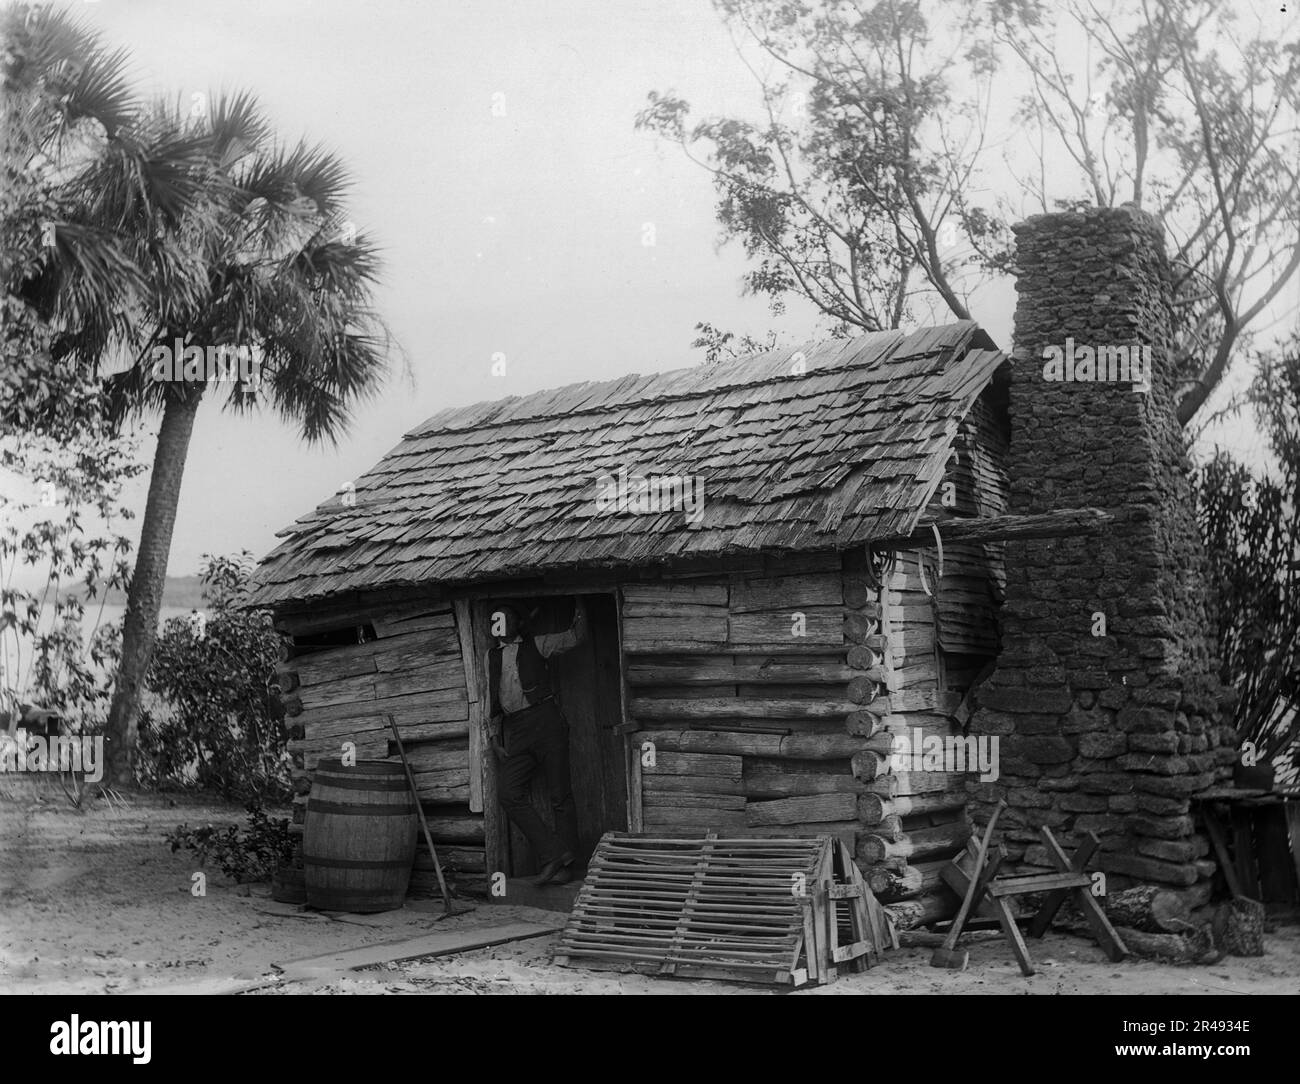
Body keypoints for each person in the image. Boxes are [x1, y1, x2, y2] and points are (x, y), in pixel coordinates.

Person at [487, 599, 586, 886]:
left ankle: (567, 867)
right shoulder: (490, 657)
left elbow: (576, 637)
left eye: (504, 619)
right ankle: (555, 853)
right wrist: (494, 737)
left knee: (560, 796)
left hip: (547, 721)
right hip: (517, 729)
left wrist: (580, 603)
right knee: (508, 793)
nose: (498, 625)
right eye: (496, 620)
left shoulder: (538, 644)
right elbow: (488, 698)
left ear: (517, 623)